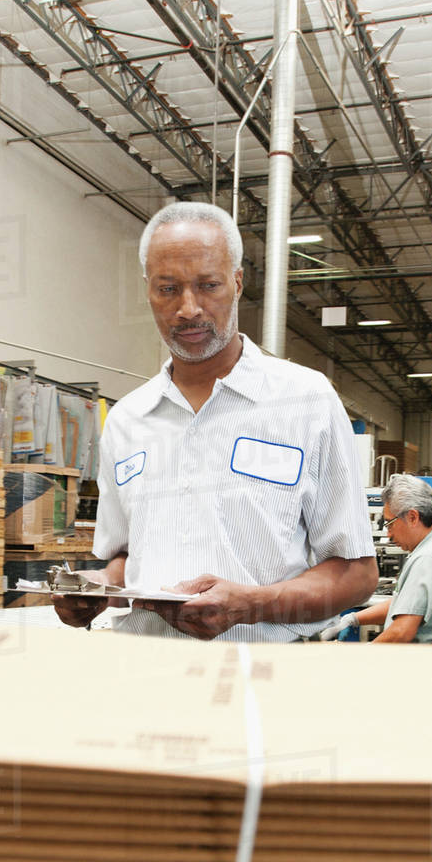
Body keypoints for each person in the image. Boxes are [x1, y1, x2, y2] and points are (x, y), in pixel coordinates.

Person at [54, 201, 377, 642]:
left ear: (238, 283)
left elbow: (356, 574)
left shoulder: (307, 401)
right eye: (168, 289)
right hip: (142, 672)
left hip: (264, 676)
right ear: (148, 290)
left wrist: (253, 603)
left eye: (208, 285)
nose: (188, 308)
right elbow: (127, 558)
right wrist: (97, 590)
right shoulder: (128, 419)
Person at [320, 474, 432, 644]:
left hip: (427, 662)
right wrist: (352, 619)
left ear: (413, 517)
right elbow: (405, 605)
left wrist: (362, 655)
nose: (389, 534)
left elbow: (402, 631)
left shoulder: (428, 559)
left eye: (389, 523)